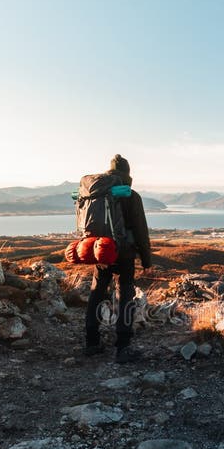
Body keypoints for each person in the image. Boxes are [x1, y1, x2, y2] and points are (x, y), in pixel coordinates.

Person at [84, 155, 153, 361]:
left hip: (101, 250)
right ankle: (123, 347)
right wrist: (146, 259)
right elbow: (141, 230)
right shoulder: (131, 196)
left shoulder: (96, 193)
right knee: (125, 295)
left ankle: (91, 342)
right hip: (124, 252)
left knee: (96, 292)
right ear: (128, 173)